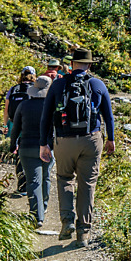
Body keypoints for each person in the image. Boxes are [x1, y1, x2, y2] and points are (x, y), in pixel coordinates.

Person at [40, 48, 115, 247]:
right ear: (89, 65)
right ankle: (84, 232)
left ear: (72, 64)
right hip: (91, 140)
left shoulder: (58, 85)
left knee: (65, 178)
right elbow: (108, 115)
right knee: (87, 184)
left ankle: (66, 221)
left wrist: (44, 143)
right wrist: (111, 139)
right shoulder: (98, 84)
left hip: (64, 141)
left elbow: (46, 117)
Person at [9, 75, 54, 231]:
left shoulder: (23, 105)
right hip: (47, 147)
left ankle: (37, 215)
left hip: (27, 147)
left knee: (33, 181)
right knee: (46, 177)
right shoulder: (52, 105)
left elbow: (15, 128)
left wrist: (12, 144)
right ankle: (45, 206)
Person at [3, 66, 35, 197]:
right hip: (31, 125)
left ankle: (21, 186)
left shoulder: (13, 89)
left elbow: (6, 109)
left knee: (19, 155)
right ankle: (34, 186)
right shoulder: (35, 89)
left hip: (15, 124)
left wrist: (5, 125)